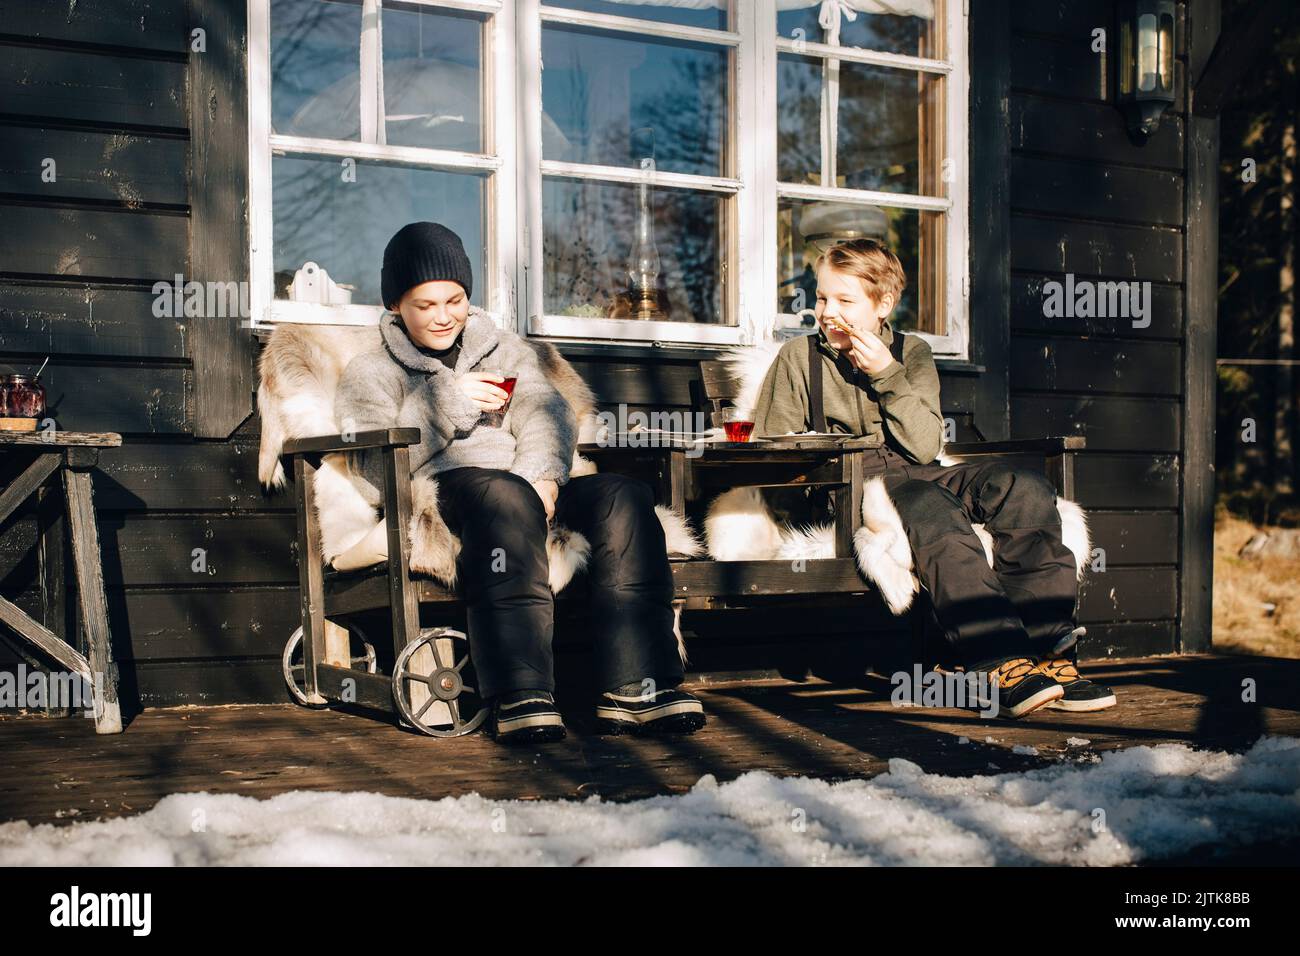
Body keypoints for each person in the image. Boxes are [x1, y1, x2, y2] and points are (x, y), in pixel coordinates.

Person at [334, 221, 705, 743]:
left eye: (455, 300)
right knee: (503, 497)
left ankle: (638, 684)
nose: (444, 316)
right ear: (396, 304)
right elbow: (375, 472)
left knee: (623, 495)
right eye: (426, 304)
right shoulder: (371, 370)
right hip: (443, 491)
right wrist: (449, 400)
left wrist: (544, 478)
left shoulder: (504, 350)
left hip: (525, 483)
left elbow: (546, 414)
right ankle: (521, 690)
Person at [752, 238, 1115, 719]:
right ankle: (997, 660)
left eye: (844, 300)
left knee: (1024, 489)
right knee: (927, 504)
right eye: (821, 298)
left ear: (883, 305)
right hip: (850, 483)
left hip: (921, 469)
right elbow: (771, 451)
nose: (826, 311)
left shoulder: (912, 353)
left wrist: (887, 375)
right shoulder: (801, 358)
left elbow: (925, 446)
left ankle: (1049, 654)